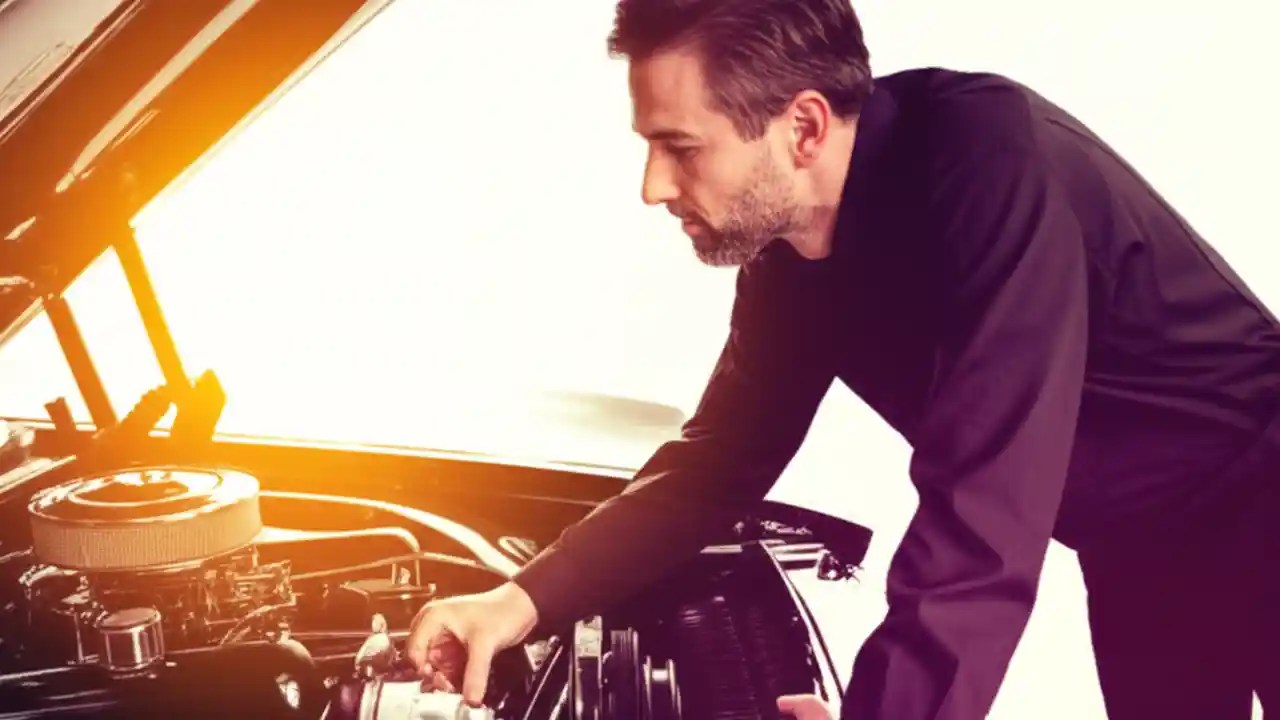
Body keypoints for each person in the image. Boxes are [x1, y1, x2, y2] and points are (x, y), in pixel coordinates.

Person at [406, 1, 1280, 717]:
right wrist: (518, 601)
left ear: (805, 127)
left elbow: (984, 510)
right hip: (1138, 549)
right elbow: (715, 464)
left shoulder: (989, 165)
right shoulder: (790, 256)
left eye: (681, 146)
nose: (654, 186)